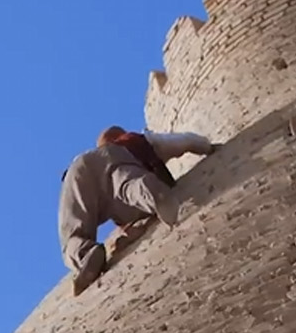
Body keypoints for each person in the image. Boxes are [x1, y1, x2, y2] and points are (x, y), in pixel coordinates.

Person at [59, 126, 218, 296]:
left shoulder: (90, 156)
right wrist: (207, 147)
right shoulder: (137, 141)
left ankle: (84, 254)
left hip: (77, 170)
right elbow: (184, 141)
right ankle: (150, 192)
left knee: (73, 230)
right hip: (119, 163)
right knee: (129, 188)